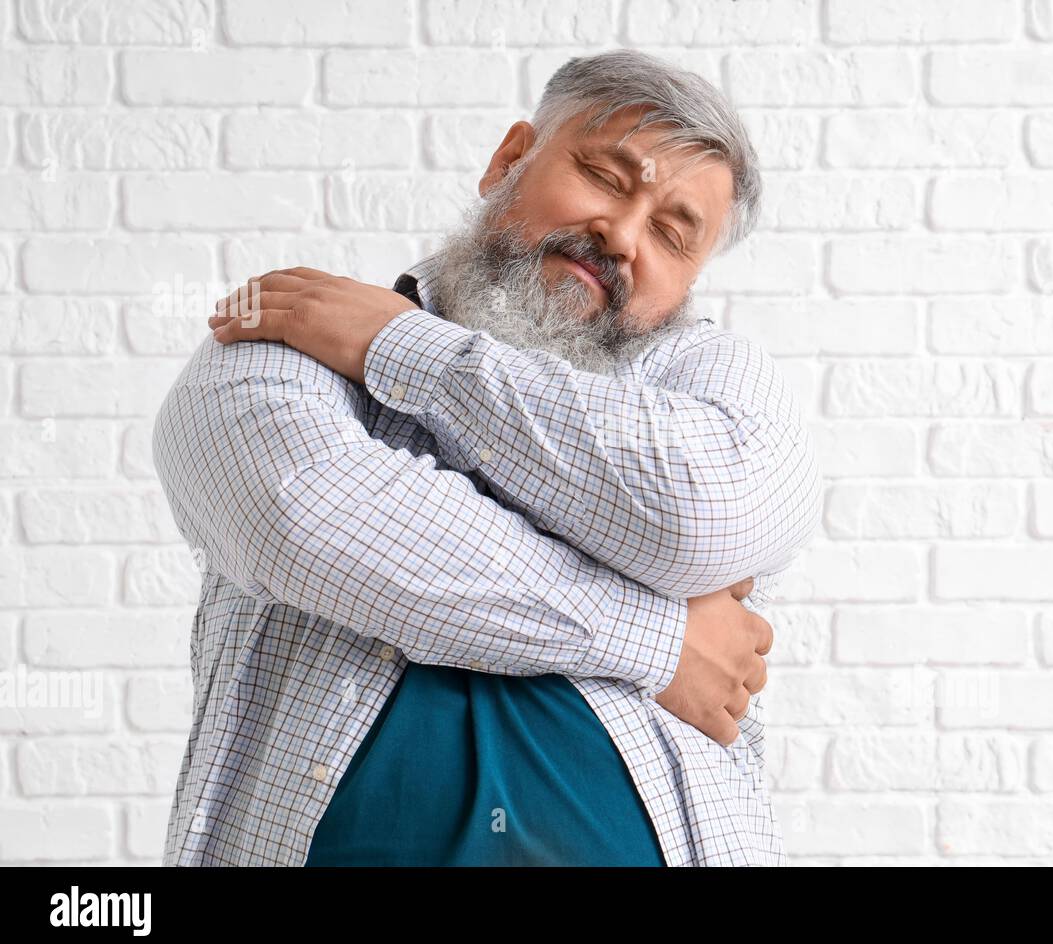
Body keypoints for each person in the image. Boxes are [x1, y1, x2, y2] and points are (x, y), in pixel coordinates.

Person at [153, 49, 823, 867]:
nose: (621, 234)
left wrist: (404, 349)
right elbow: (303, 518)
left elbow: (704, 516)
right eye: (606, 179)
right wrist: (660, 640)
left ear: (687, 285)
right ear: (511, 160)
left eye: (672, 234)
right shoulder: (288, 331)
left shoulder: (710, 379)